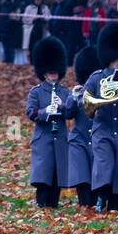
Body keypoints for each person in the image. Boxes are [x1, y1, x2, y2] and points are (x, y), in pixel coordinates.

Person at [85, 21, 118, 212]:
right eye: (116, 59)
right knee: (104, 165)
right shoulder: (97, 77)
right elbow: (87, 103)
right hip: (103, 129)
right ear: (108, 58)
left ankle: (117, 204)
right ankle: (100, 199)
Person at [25, 37, 70, 209]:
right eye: (50, 72)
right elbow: (31, 111)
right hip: (43, 137)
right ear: (44, 72)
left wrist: (62, 105)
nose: (53, 74)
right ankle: (41, 202)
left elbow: (71, 112)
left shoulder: (65, 92)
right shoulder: (36, 92)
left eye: (55, 72)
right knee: (43, 173)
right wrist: (45, 112)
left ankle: (54, 202)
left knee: (56, 175)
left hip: (60, 136)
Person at [64, 46, 100, 208]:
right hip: (79, 138)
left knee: (96, 173)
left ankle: (95, 203)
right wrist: (73, 97)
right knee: (82, 174)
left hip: (97, 137)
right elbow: (68, 114)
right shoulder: (78, 91)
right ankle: (84, 203)